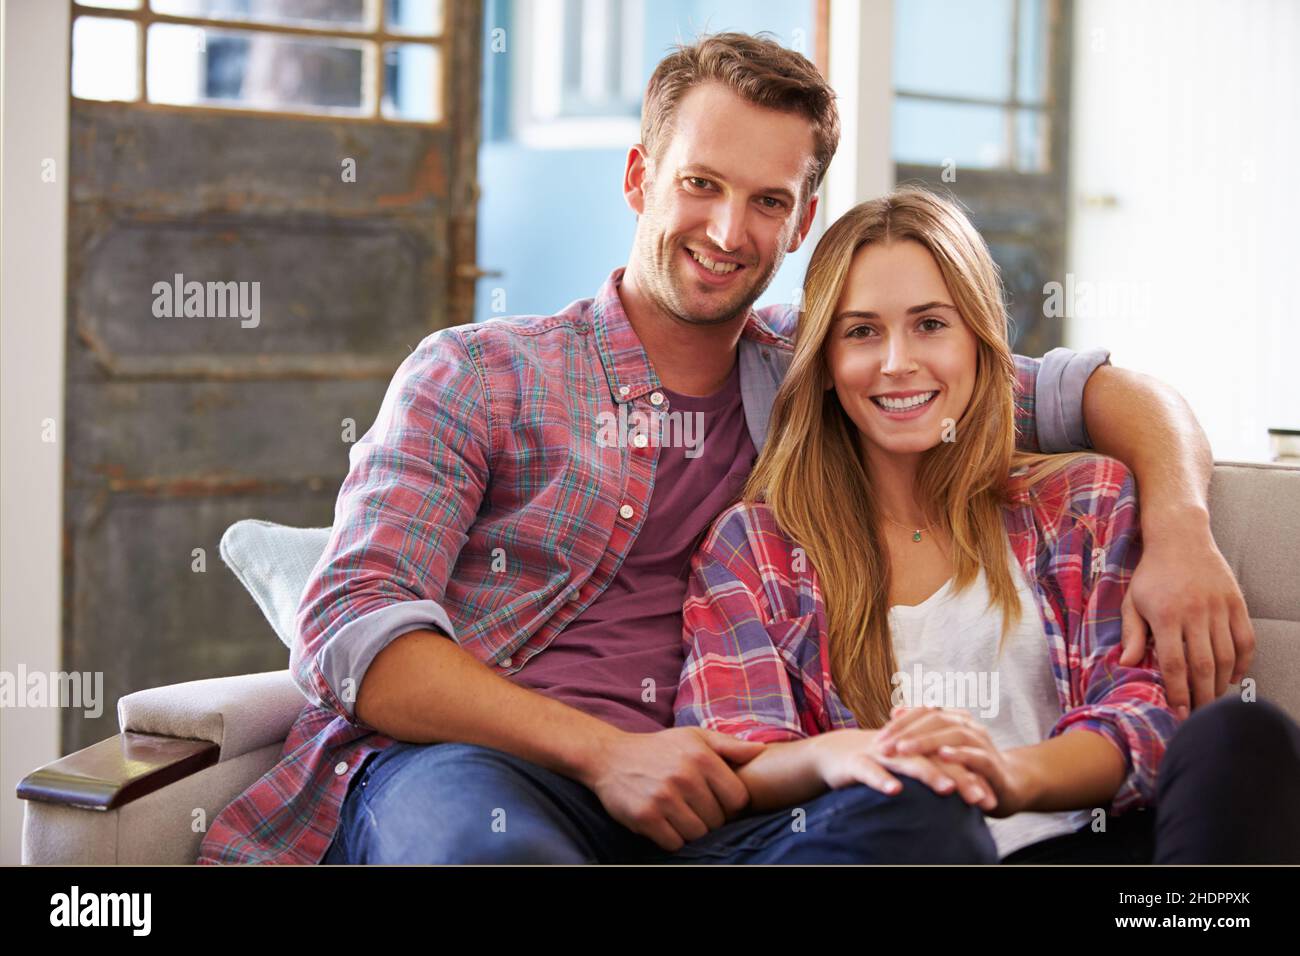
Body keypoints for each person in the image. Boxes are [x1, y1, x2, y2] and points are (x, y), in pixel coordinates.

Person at [197, 33, 1253, 865]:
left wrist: (1180, 524)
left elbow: (1101, 389)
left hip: (730, 800)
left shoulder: (830, 366)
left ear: (800, 225)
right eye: (700, 183)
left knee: (919, 828)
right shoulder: (476, 374)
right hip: (484, 771)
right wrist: (605, 750)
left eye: (767, 200)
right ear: (638, 176)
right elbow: (352, 625)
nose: (726, 227)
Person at [675, 187, 1300, 863]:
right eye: (861, 331)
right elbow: (735, 755)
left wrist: (1010, 776)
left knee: (1244, 732)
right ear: (825, 365)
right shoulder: (757, 546)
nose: (896, 362)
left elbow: (1143, 717)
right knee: (920, 808)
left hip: (1085, 849)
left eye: (930, 324)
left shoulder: (1084, 502)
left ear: (979, 338)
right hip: (901, 846)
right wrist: (859, 755)